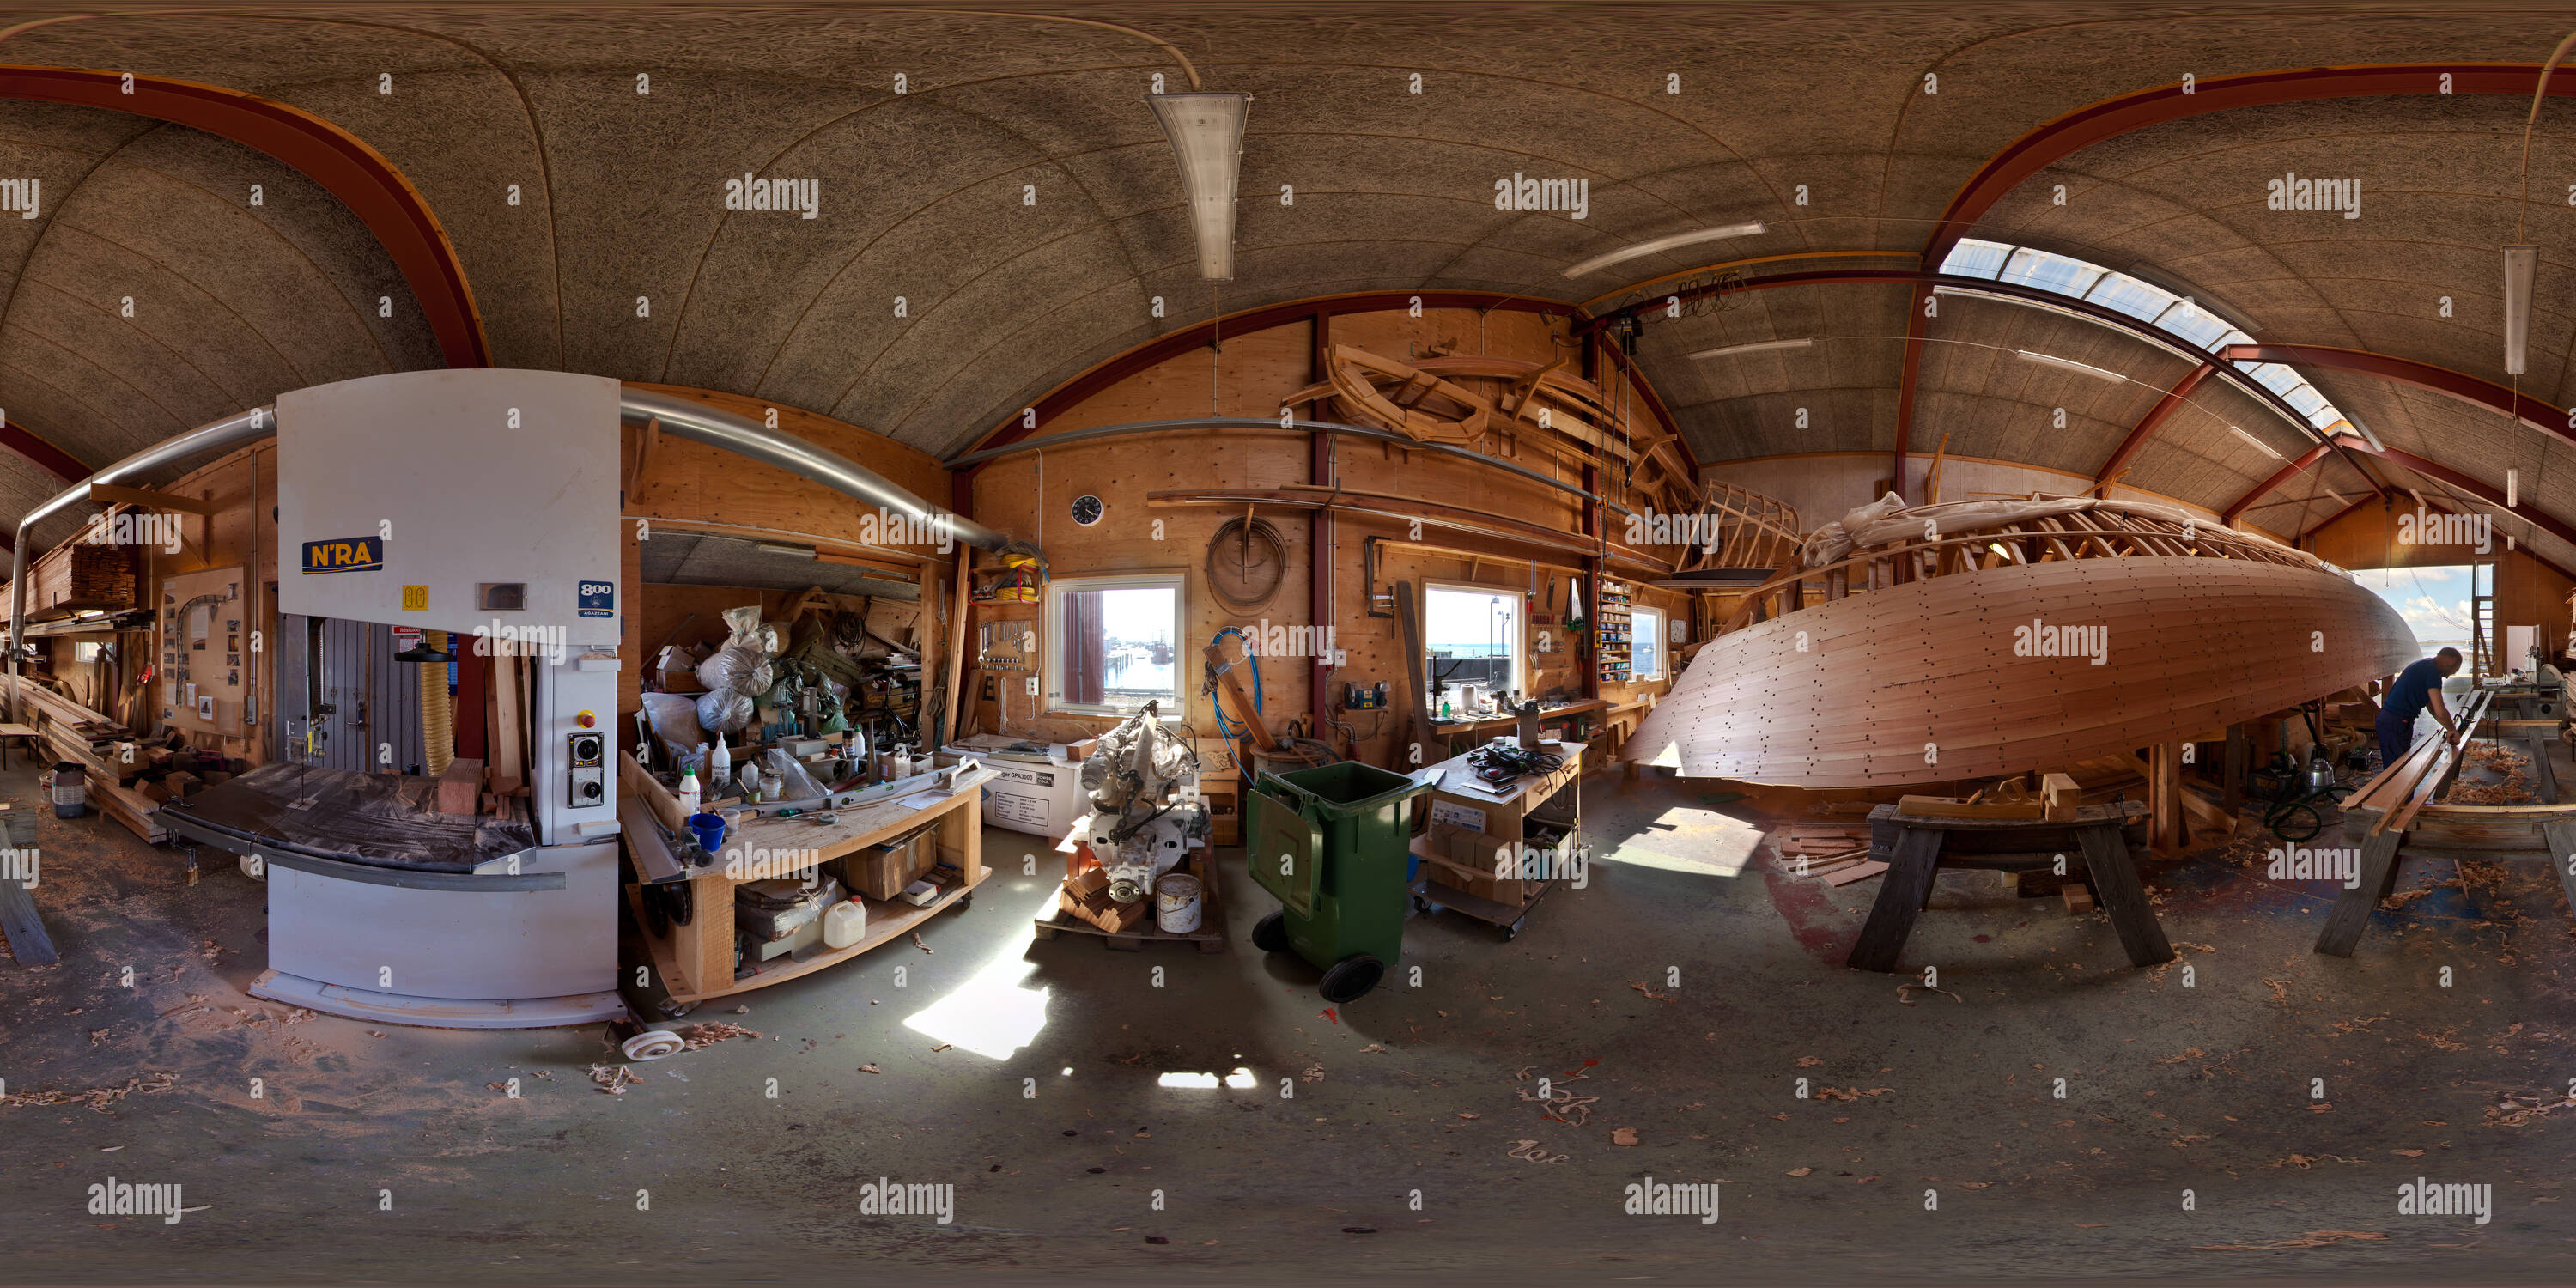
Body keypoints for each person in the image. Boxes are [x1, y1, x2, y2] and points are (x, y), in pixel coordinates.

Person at [2376, 647, 2462, 768]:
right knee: (2396, 770)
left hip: (2392, 720)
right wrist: (2453, 730)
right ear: (2451, 661)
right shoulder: (2433, 672)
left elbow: (2432, 708)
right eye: (2452, 671)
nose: (2447, 677)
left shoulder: (2424, 666)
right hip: (2395, 722)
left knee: (2399, 765)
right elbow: (2440, 711)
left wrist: (2448, 728)